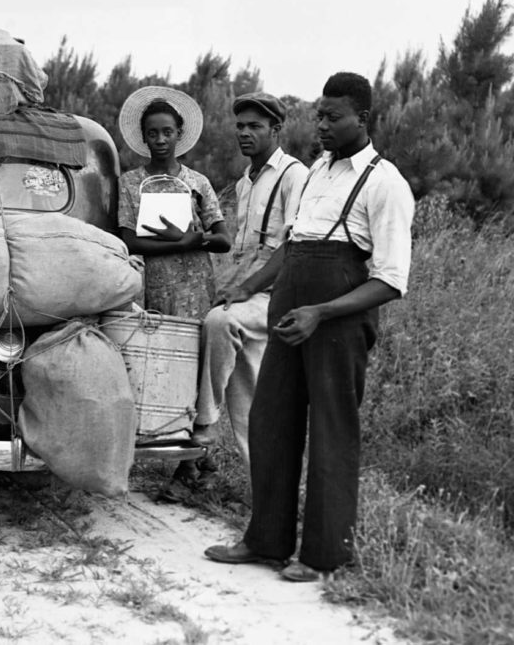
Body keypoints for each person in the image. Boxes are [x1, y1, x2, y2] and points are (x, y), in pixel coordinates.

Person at [204, 73, 415, 582]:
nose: (320, 125)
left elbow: (390, 280)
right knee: (271, 422)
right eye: (318, 115)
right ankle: (266, 541)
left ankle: (324, 555)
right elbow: (294, 247)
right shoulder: (318, 169)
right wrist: (251, 288)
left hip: (337, 318)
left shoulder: (386, 183)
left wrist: (321, 312)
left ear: (362, 119)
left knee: (330, 431)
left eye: (332, 117)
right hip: (289, 310)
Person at [117, 87, 231, 461]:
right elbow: (129, 240)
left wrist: (192, 240)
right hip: (151, 284)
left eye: (167, 132)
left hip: (195, 285)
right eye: (153, 133)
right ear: (143, 137)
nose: (161, 140)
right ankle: (156, 442)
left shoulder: (197, 182)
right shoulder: (131, 182)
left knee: (195, 365)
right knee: (157, 360)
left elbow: (222, 239)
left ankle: (196, 458)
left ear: (180, 134)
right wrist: (183, 242)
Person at [197, 93, 304, 468]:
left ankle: (204, 422)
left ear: (275, 130)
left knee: (219, 322)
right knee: (249, 398)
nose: (245, 133)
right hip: (249, 291)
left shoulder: (294, 175)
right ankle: (265, 490)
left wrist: (246, 288)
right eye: (240, 126)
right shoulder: (246, 181)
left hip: (275, 294)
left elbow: (291, 247)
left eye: (255, 127)